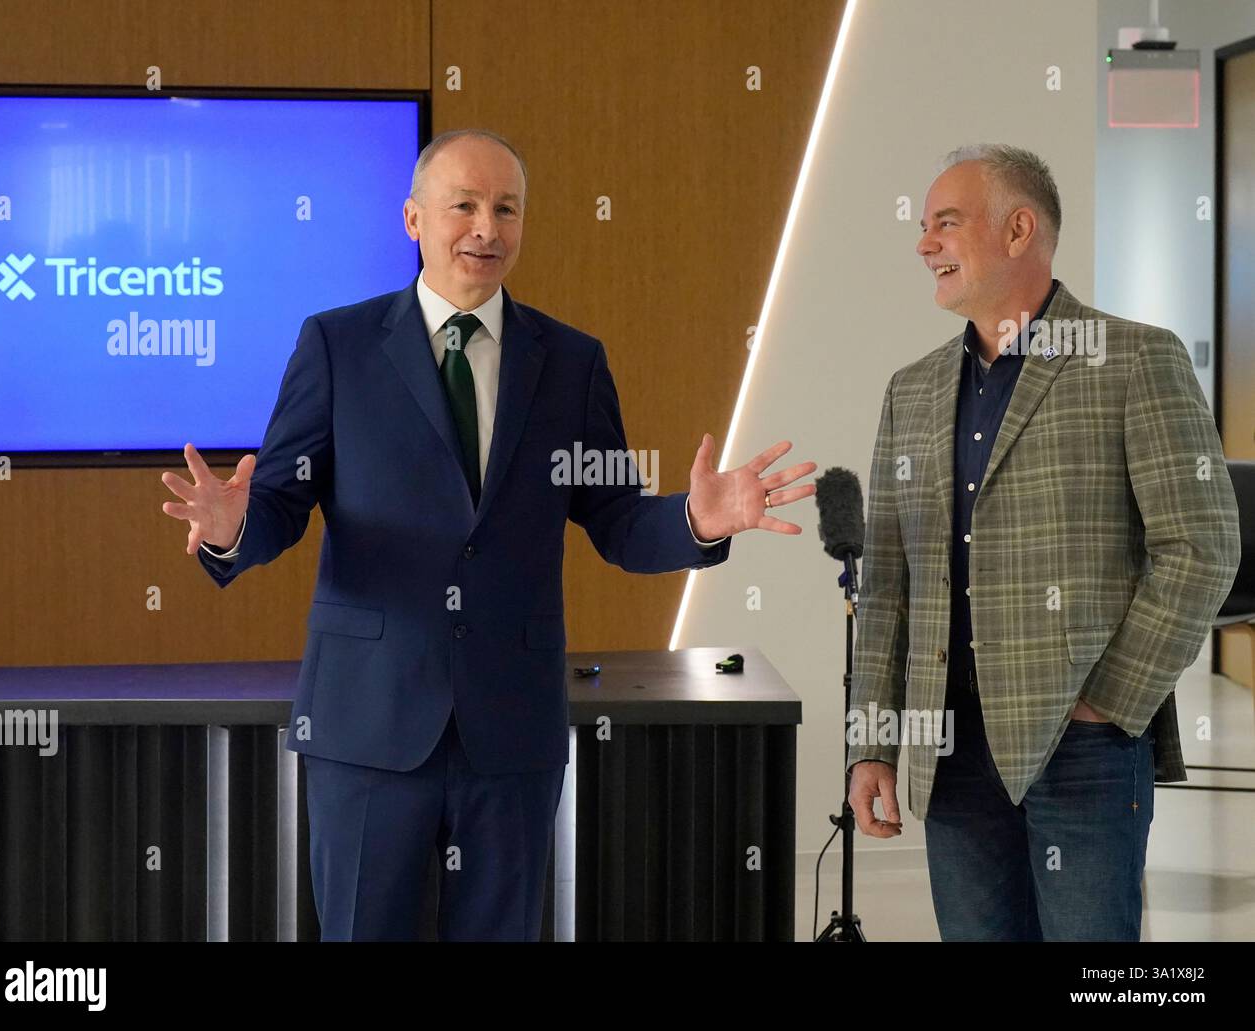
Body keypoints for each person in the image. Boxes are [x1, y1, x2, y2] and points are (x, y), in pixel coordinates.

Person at [159, 128, 817, 941]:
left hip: (510, 730)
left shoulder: (571, 362)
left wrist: (695, 519)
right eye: (464, 205)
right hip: (368, 724)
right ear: (412, 219)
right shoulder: (338, 345)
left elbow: (615, 522)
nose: (487, 228)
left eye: (507, 209)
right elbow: (283, 508)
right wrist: (235, 527)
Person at [846, 143, 1241, 941]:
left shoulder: (1134, 359)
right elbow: (887, 582)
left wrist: (1109, 701)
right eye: (924, 227)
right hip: (947, 753)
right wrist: (872, 742)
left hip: (1084, 749)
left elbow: (1202, 546)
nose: (925, 244)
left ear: (1020, 229)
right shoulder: (911, 389)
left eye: (946, 223)